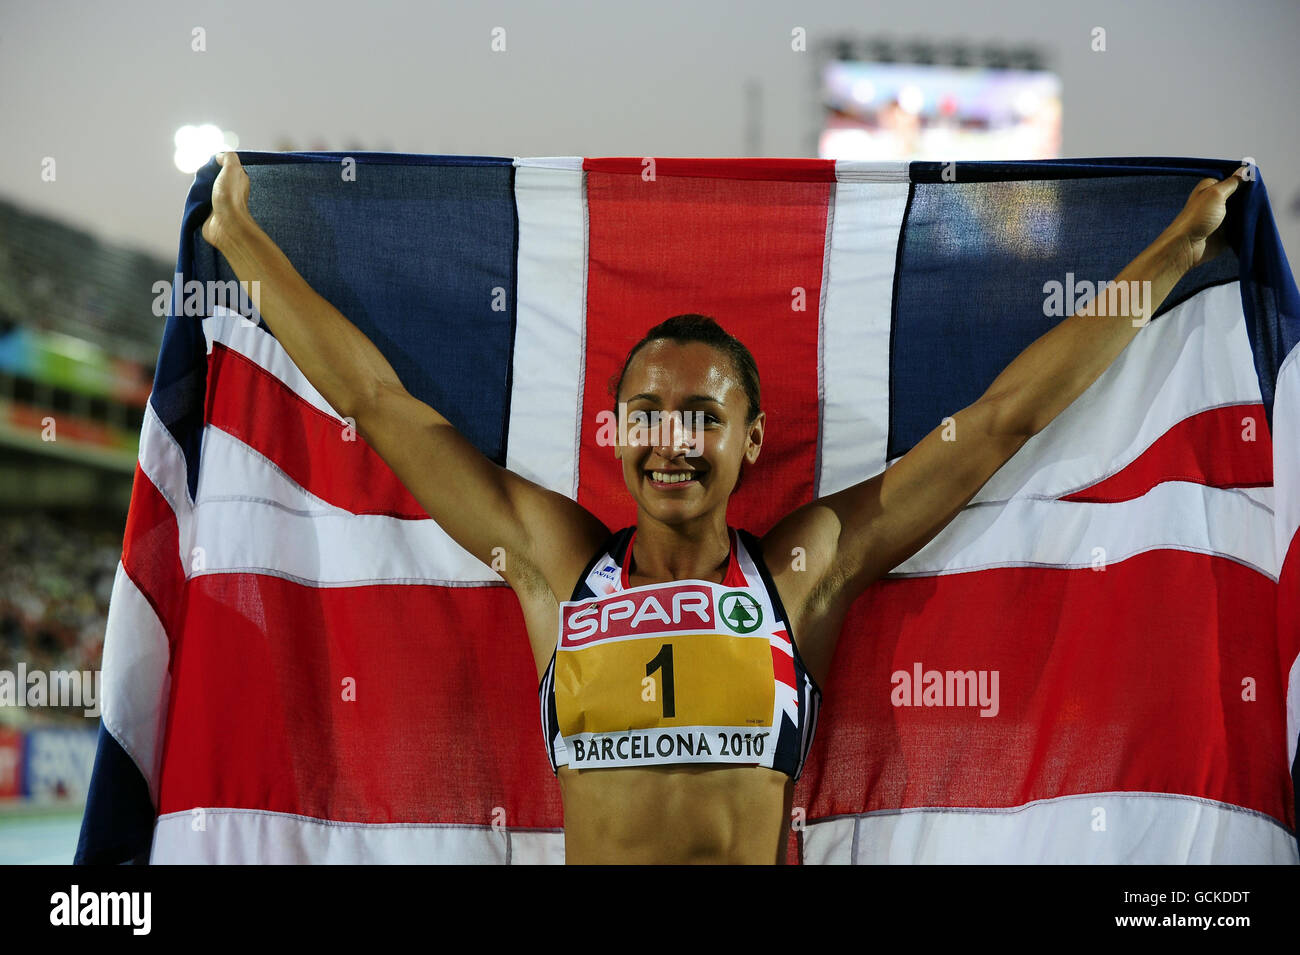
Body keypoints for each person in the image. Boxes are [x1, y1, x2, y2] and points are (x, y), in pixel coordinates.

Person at [202, 151, 1244, 864]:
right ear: (613, 433)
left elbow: (1003, 419)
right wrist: (242, 244)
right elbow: (380, 407)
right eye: (647, 414)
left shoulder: (804, 568)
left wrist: (1176, 250)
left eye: (702, 415)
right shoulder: (559, 564)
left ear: (749, 439)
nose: (673, 440)